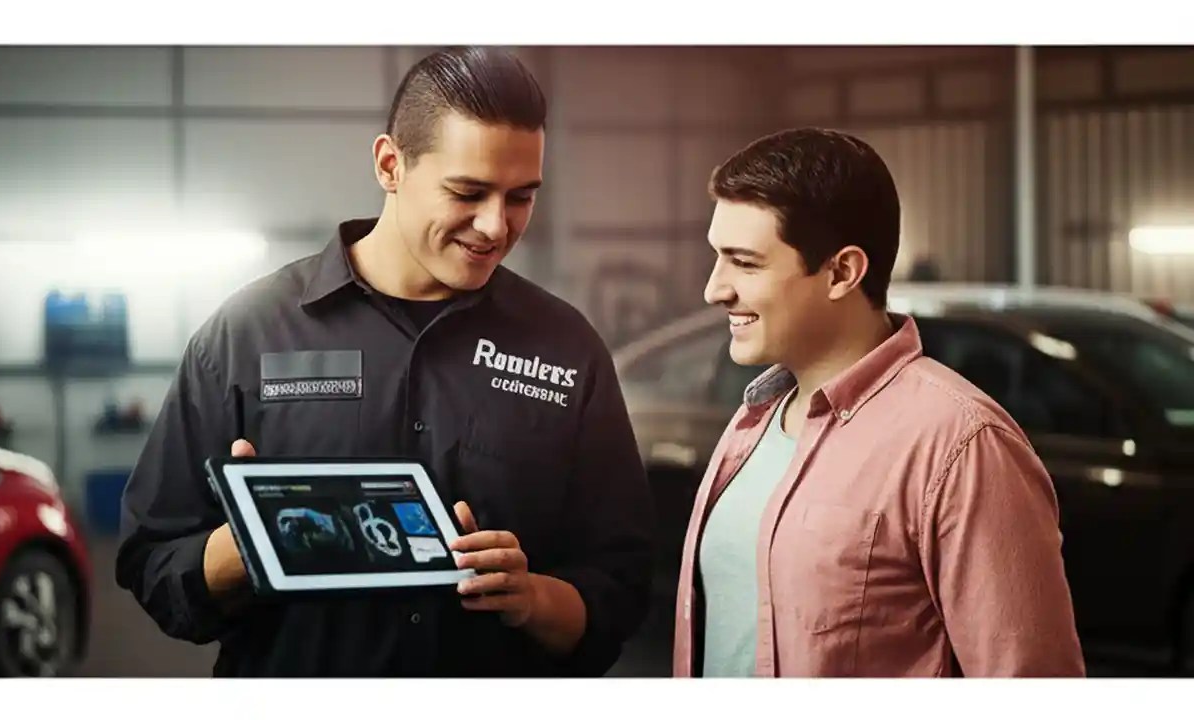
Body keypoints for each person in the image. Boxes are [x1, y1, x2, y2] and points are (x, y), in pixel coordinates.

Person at [116, 46, 655, 677]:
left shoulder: (566, 349)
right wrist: (248, 544)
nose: (494, 226)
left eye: (521, 197)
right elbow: (151, 560)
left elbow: (621, 583)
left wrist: (533, 597)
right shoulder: (248, 335)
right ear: (390, 164)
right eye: (468, 192)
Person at [671, 128, 1085, 678]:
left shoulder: (960, 446)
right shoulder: (755, 421)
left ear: (842, 271)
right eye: (717, 258)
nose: (714, 289)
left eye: (744, 263)